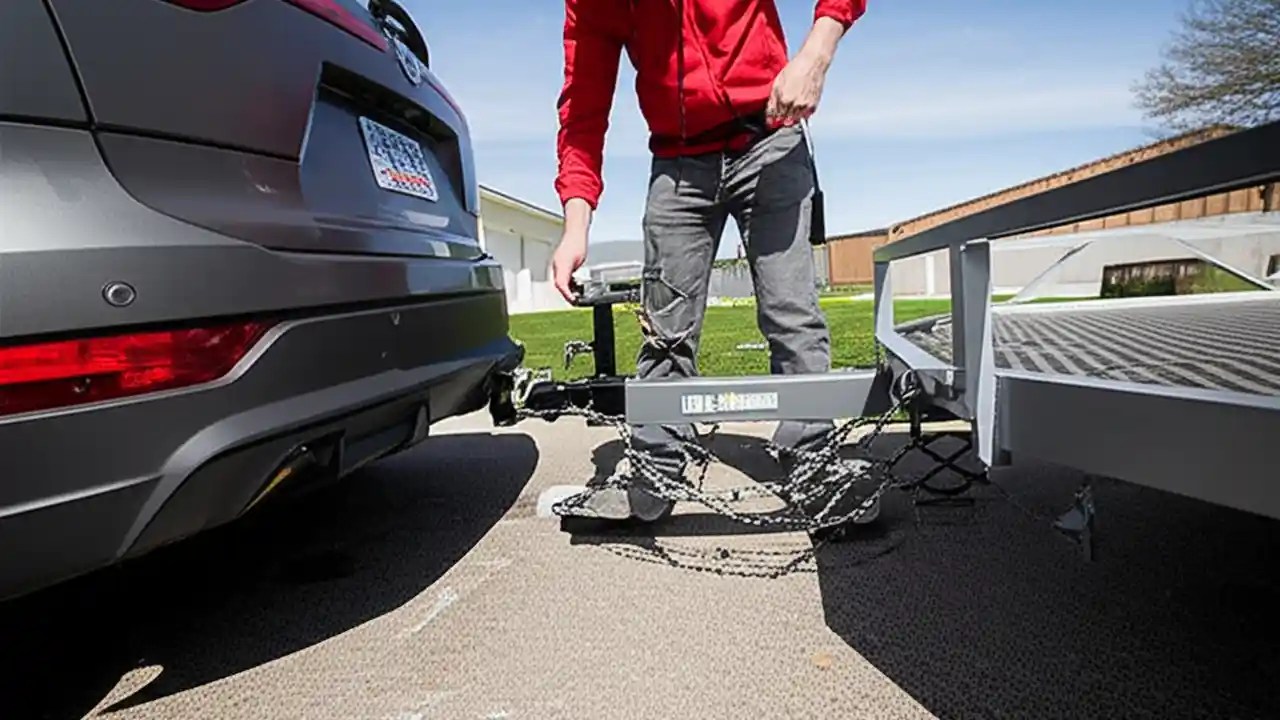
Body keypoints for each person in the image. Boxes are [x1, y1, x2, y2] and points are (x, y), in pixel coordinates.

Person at [550, 0, 872, 525]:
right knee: (665, 331)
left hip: (770, 136)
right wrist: (575, 227)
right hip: (677, 165)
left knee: (791, 313)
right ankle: (656, 471)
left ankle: (812, 463)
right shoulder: (590, 6)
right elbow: (582, 112)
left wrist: (815, 56)